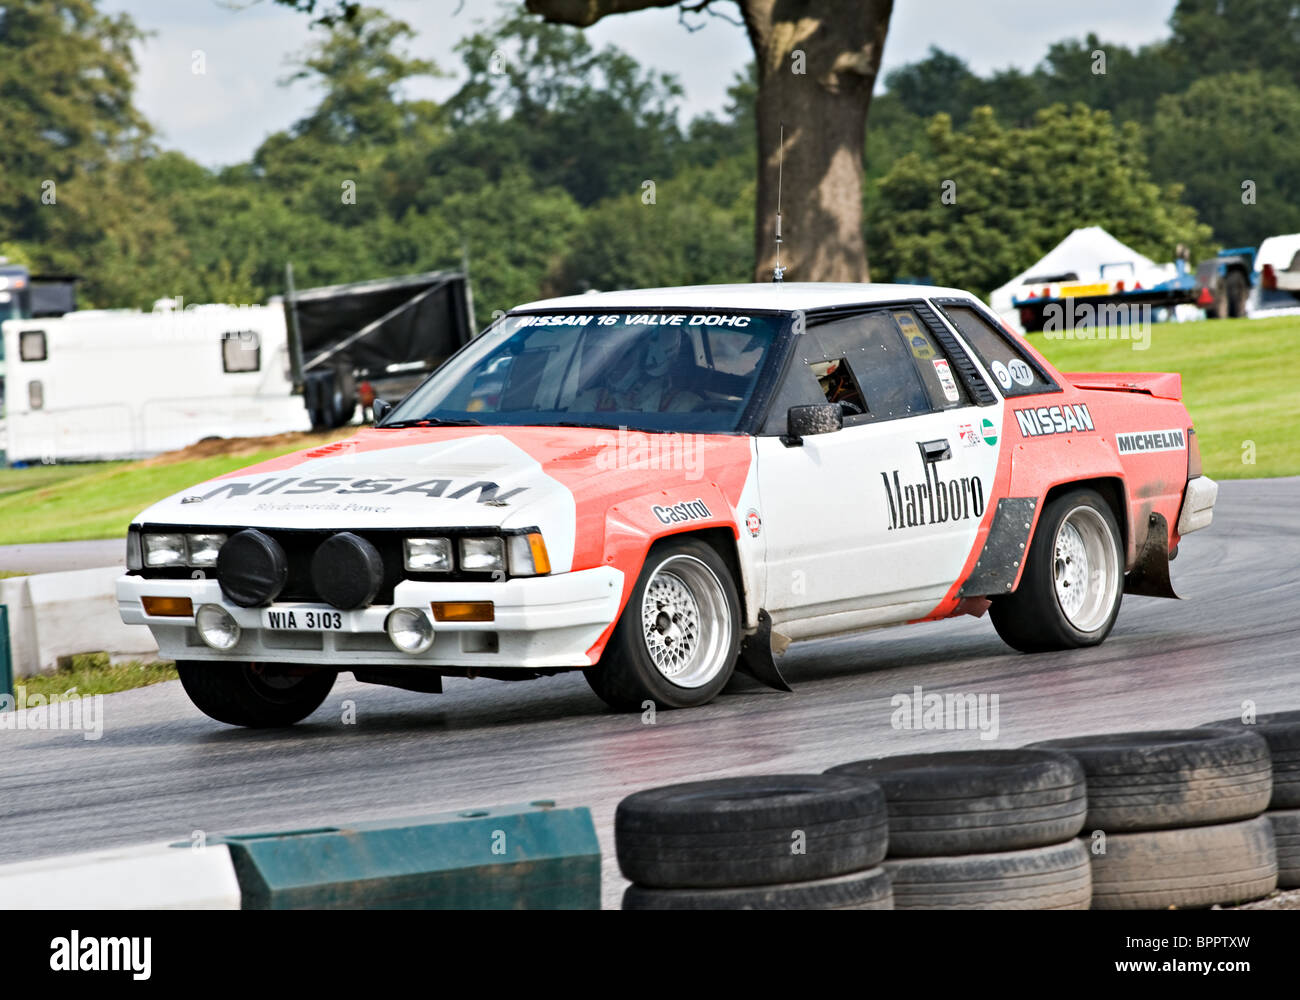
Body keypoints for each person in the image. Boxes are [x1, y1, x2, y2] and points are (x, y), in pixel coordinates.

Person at [572, 327, 702, 413]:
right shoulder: (590, 402)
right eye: (609, 356)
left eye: (624, 355)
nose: (612, 364)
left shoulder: (684, 407)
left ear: (652, 357)